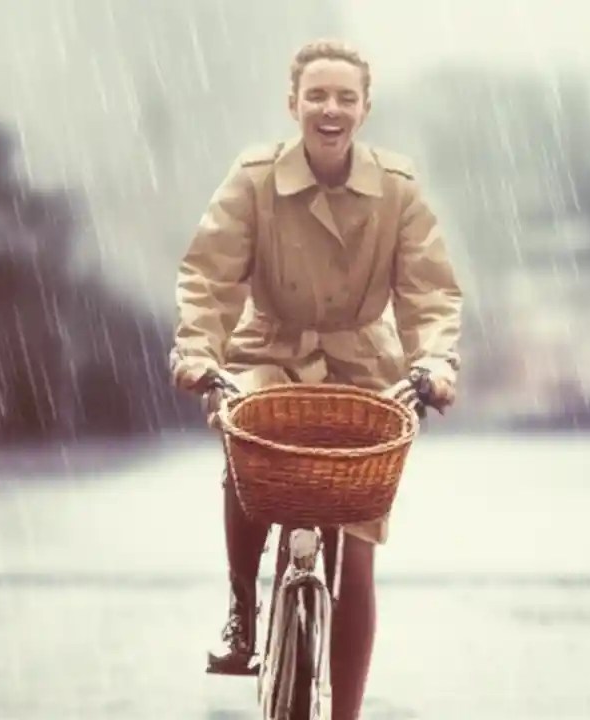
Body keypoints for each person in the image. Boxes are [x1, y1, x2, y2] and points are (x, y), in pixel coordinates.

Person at [169, 39, 463, 718]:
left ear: (365, 107)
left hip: (366, 365)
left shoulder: (398, 189)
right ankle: (243, 606)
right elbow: (207, 275)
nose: (331, 109)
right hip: (270, 347)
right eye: (317, 95)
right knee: (249, 433)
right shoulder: (253, 179)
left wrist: (437, 360)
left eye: (345, 97)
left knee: (357, 555)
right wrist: (196, 350)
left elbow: (431, 291)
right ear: (293, 102)